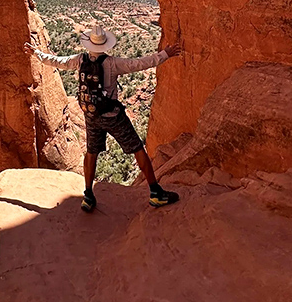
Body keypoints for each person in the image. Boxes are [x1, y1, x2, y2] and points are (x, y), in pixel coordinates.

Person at [24, 25, 181, 212]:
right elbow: (139, 63)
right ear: (105, 45)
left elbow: (58, 61)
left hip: (91, 115)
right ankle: (156, 193)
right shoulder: (112, 63)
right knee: (138, 148)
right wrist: (165, 54)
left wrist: (37, 54)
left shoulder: (79, 59)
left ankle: (88, 196)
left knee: (91, 152)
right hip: (113, 116)